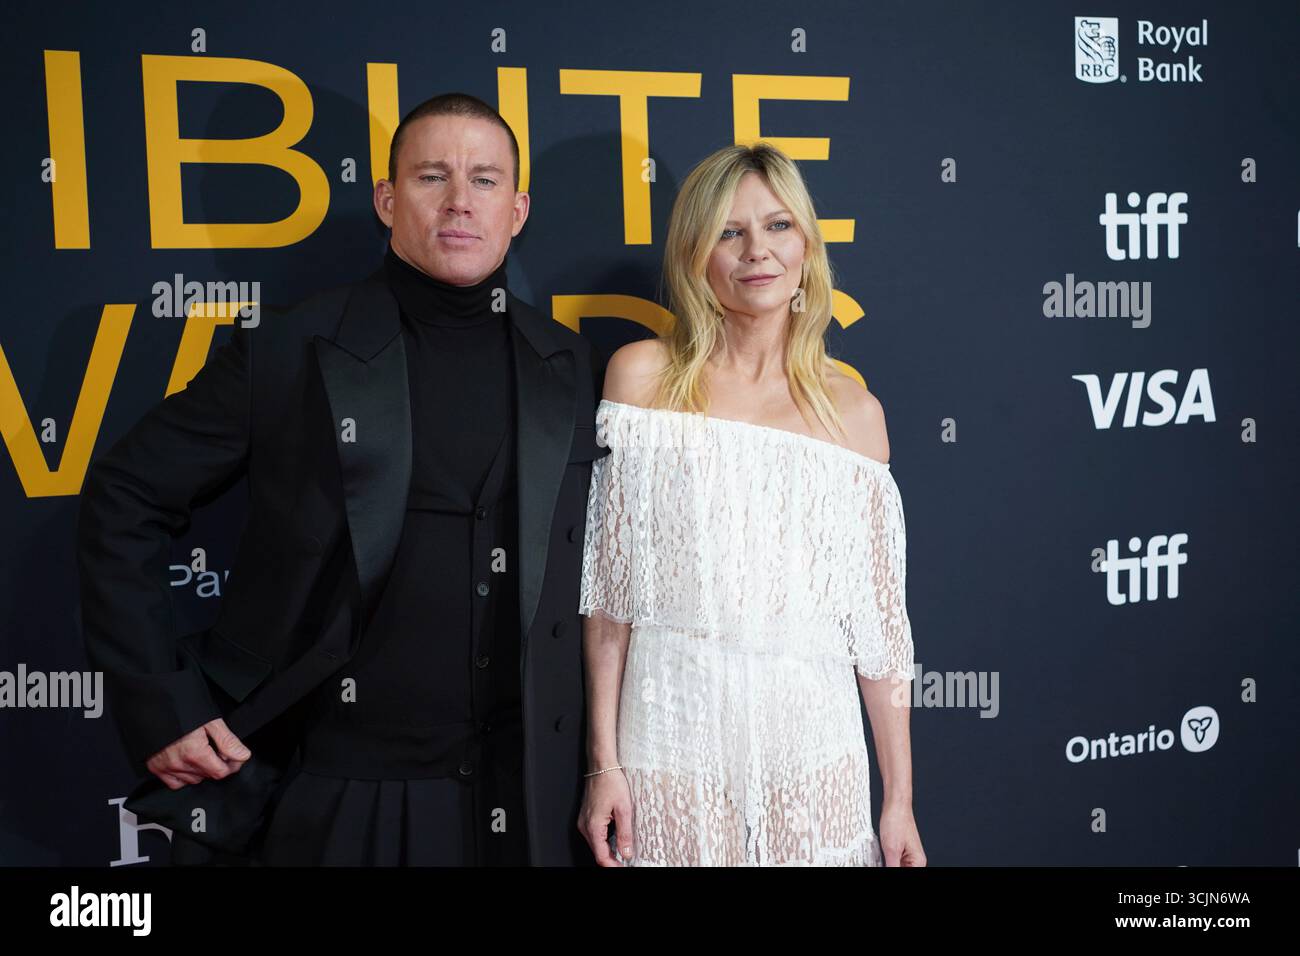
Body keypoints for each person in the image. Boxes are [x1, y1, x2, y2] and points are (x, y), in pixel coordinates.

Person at [76, 92, 607, 866]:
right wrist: (160, 701)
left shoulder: (571, 367)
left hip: (526, 803)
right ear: (389, 199)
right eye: (433, 177)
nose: (460, 201)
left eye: (486, 180)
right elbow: (124, 497)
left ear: (517, 210)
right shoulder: (292, 347)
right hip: (338, 792)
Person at [575, 142, 926, 866]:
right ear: (696, 254)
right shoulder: (643, 381)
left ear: (806, 245)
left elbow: (882, 637)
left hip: (815, 755)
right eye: (729, 233)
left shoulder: (855, 416)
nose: (756, 252)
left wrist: (898, 802)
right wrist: (602, 762)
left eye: (777, 227)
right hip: (669, 742)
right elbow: (609, 598)